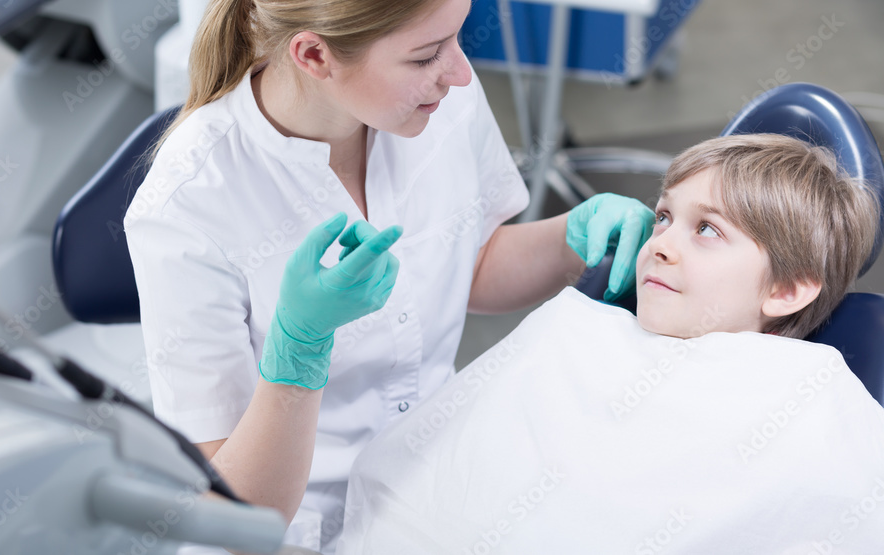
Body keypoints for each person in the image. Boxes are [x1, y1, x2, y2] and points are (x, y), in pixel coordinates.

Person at [123, 0, 653, 551]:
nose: (458, 74)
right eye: (426, 53)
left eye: (456, 37)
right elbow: (233, 507)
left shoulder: (438, 105)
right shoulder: (189, 202)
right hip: (301, 529)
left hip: (440, 482)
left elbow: (473, 266)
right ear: (314, 56)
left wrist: (573, 238)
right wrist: (298, 349)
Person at [336, 133, 884, 553]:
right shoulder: (578, 331)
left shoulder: (810, 401)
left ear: (788, 289)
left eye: (708, 230)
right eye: (665, 216)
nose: (661, 243)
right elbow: (434, 483)